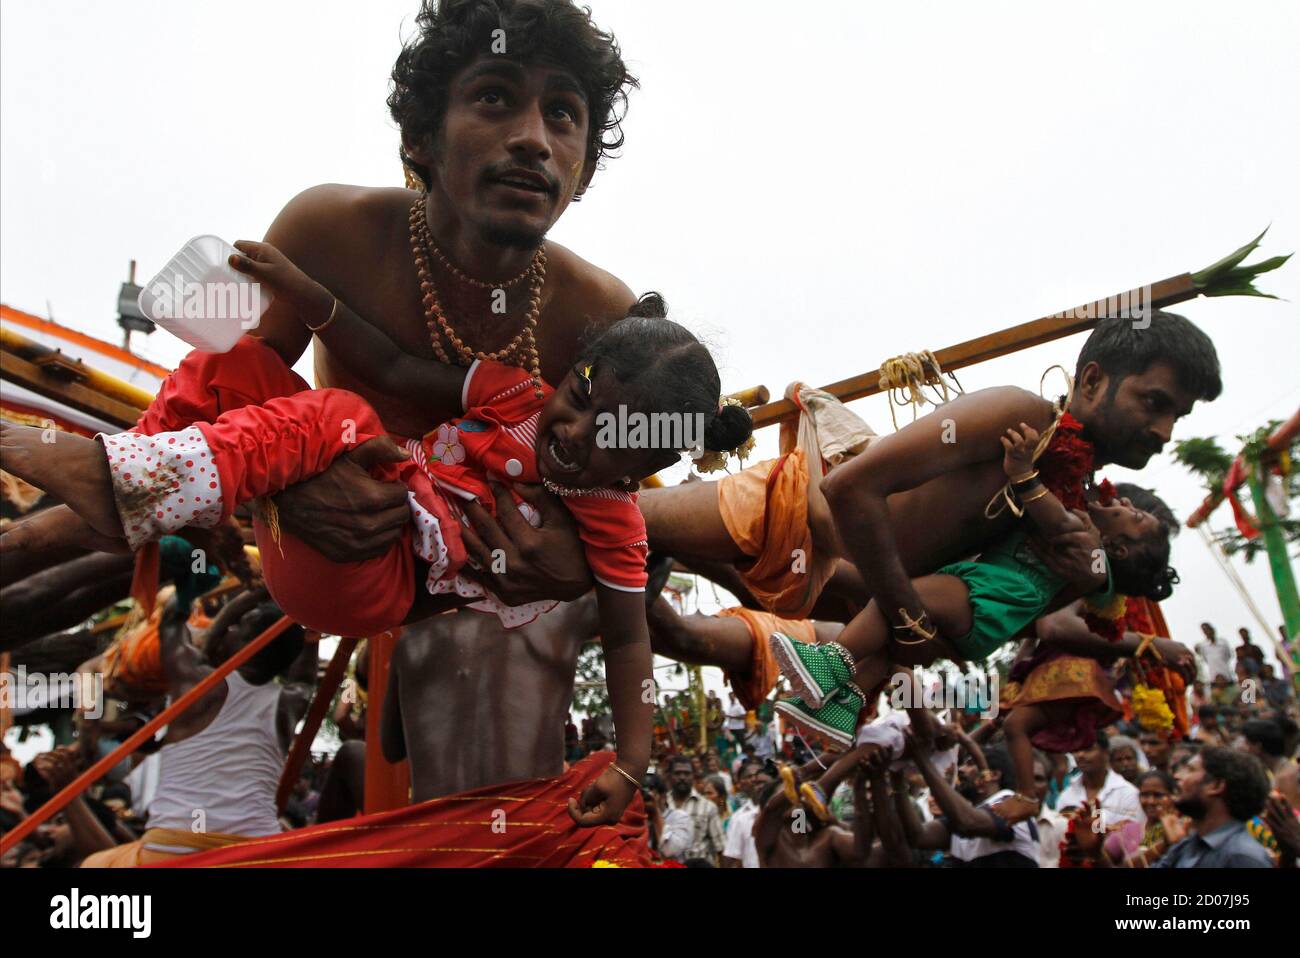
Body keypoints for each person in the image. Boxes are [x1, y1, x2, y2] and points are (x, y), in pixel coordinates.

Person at [643, 312, 1221, 720]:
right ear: (1093, 379)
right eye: (1155, 402)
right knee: (597, 520)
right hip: (777, 510)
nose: (1165, 432)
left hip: (826, 583)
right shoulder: (1020, 417)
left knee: (615, 559)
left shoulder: (1063, 502)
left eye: (1179, 415)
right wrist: (906, 613)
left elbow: (988, 606)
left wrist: (918, 625)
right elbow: (849, 487)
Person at [771, 416, 1176, 743]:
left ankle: (828, 662)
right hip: (980, 601)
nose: (1124, 501)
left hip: (986, 600)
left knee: (893, 600)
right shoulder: (1088, 546)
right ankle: (841, 706)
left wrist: (1023, 474)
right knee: (892, 630)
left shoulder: (1089, 554)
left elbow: (1056, 521)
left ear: (1119, 549)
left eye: (1134, 515)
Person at [82, 588, 316, 866]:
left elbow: (171, 615)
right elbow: (306, 663)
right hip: (256, 850)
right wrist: (305, 617)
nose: (228, 630)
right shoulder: (292, 701)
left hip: (175, 845)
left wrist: (252, 592)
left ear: (244, 643)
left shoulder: (197, 681)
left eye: (237, 627)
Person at [894, 734, 1040, 868]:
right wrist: (896, 778)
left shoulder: (1010, 802)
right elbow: (918, 836)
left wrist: (922, 760)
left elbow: (967, 822)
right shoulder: (970, 815)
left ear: (994, 774)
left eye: (970, 764)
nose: (962, 769)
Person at [1153, 748, 1274, 868]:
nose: (1177, 775)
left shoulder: (1243, 857)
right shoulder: (1188, 845)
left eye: (1191, 770)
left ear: (1216, 786)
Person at [1055, 731, 1144, 831]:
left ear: (1106, 753)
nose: (1080, 755)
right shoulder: (1066, 796)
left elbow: (1133, 836)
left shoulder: (1127, 793)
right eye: (1076, 750)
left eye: (1088, 749)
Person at [663, 755, 724, 866]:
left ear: (693, 776)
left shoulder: (708, 807)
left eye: (687, 773)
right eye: (677, 773)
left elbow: (721, 848)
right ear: (669, 776)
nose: (682, 777)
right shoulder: (661, 805)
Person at [720, 758, 770, 868]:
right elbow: (732, 857)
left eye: (758, 775)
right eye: (749, 776)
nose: (754, 779)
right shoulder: (738, 818)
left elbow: (802, 832)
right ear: (740, 784)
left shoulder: (788, 809)